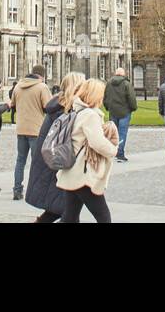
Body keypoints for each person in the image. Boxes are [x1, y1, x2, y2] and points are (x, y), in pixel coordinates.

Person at [55, 78, 119, 223]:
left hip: (73, 170)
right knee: (103, 215)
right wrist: (113, 150)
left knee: (70, 216)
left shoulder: (78, 111)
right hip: (83, 172)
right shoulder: (90, 115)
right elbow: (97, 142)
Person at [25, 72, 85, 223]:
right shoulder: (63, 110)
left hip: (54, 162)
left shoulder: (61, 106)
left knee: (62, 208)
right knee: (66, 208)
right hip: (55, 164)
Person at [9, 64, 53, 199]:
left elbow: (13, 104)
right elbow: (48, 106)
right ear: (42, 76)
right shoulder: (42, 87)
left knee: (20, 160)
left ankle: (17, 190)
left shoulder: (18, 86)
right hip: (36, 129)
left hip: (21, 128)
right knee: (37, 162)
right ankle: (37, 190)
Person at [103, 67, 139, 162]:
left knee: (112, 133)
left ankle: (112, 153)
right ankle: (120, 154)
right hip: (124, 112)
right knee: (122, 133)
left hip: (113, 112)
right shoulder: (126, 84)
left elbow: (105, 97)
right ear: (123, 74)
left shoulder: (109, 84)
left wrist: (107, 107)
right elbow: (131, 98)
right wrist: (133, 108)